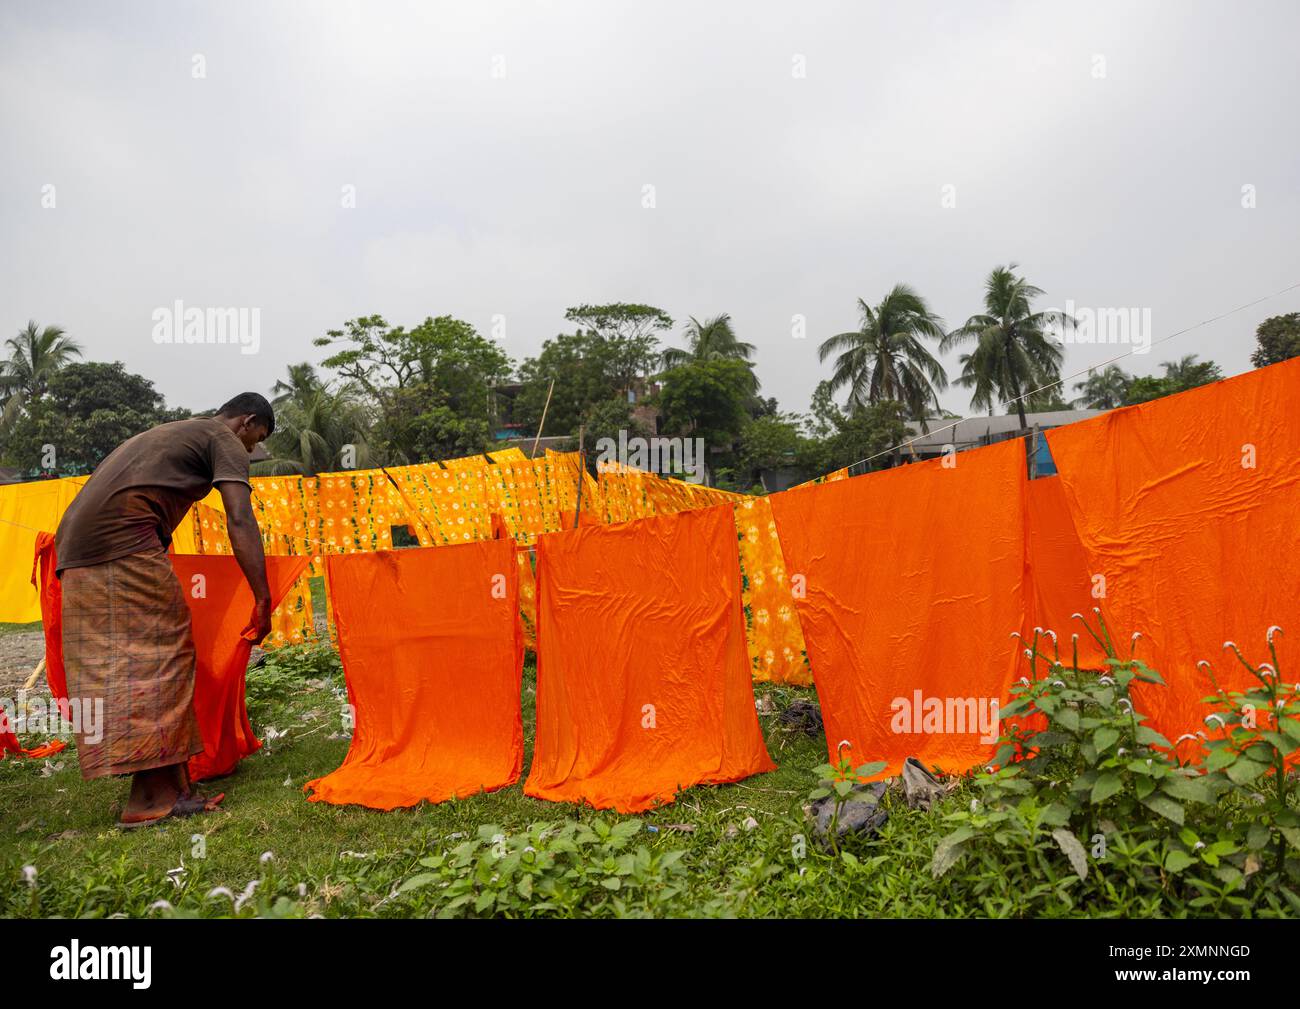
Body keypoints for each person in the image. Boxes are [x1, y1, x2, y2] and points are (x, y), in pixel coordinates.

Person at [55, 392, 275, 828]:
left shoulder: (176, 430)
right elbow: (239, 519)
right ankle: (150, 800)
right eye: (256, 440)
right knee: (159, 658)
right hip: (120, 545)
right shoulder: (223, 438)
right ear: (246, 422)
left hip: (78, 552)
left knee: (130, 663)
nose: (249, 451)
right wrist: (262, 596)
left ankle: (171, 787)